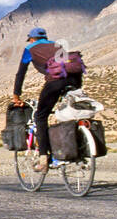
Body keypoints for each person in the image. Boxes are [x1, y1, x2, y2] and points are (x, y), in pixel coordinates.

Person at [11, 27, 83, 172]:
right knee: (67, 112)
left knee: (41, 116)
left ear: (31, 39)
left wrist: (16, 95)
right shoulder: (56, 45)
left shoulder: (29, 49)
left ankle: (44, 159)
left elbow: (21, 73)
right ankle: (78, 146)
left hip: (56, 82)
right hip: (76, 80)